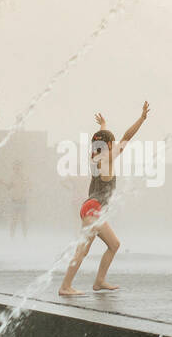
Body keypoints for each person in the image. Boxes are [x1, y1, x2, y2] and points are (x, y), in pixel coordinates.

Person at [58, 101, 149, 295]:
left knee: (98, 248)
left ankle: (94, 282)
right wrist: (141, 118)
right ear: (109, 145)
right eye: (112, 143)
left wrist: (103, 126)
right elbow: (127, 136)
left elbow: (101, 140)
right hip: (94, 209)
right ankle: (69, 286)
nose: (116, 145)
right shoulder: (108, 157)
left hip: (89, 207)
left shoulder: (94, 157)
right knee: (102, 247)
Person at [6, 158, 29, 239]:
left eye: (18, 167)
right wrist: (3, 183)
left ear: (21, 167)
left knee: (24, 221)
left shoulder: (24, 176)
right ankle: (12, 237)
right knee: (14, 221)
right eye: (15, 167)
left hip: (23, 201)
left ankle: (25, 237)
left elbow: (28, 187)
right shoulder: (12, 177)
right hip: (14, 201)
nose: (16, 168)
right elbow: (9, 187)